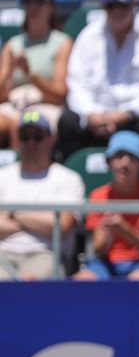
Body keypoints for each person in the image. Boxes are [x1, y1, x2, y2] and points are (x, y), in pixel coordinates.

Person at [57, 0, 139, 177]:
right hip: (96, 116)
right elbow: (77, 82)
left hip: (135, 115)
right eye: (111, 5)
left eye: (123, 5)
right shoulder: (89, 35)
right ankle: (74, 181)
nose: (117, 11)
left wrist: (127, 114)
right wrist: (91, 114)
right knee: (67, 121)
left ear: (135, 3)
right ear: (103, 6)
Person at [0, 112, 84, 281]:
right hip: (3, 253)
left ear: (52, 138)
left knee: (30, 283)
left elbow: (62, 225)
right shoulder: (2, 175)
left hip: (46, 254)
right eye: (25, 137)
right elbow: (52, 224)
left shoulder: (68, 178)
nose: (31, 142)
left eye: (38, 137)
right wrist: (39, 222)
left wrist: (13, 214)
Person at [74, 131, 139, 281]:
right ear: (109, 163)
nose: (124, 163)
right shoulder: (98, 195)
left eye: (132, 158)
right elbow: (99, 249)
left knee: (138, 281)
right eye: (118, 157)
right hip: (105, 263)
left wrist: (122, 227)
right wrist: (107, 233)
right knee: (81, 282)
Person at [0, 0, 72, 148]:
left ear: (51, 7)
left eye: (39, 1)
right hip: (12, 104)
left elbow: (59, 95)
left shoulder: (62, 43)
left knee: (25, 125)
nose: (33, 6)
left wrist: (30, 74)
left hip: (45, 106)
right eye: (28, 1)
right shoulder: (12, 45)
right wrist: (8, 72)